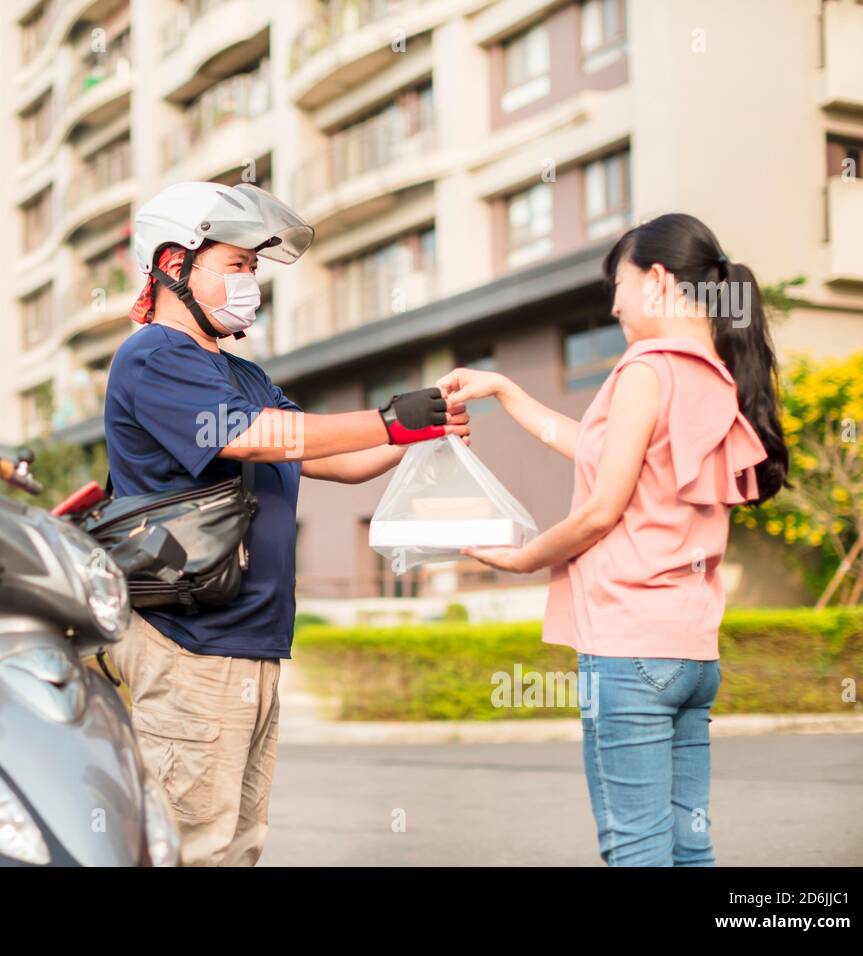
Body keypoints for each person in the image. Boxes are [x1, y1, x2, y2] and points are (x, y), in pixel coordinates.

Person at [103, 181, 470, 865]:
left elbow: (339, 460)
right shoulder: (153, 355)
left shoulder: (243, 375)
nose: (251, 283)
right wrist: (389, 418)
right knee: (193, 849)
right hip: (193, 646)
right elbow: (247, 436)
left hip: (250, 644)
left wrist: (419, 432)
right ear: (175, 265)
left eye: (254, 269)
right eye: (236, 265)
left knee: (238, 846)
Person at [438, 213, 787, 866]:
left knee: (636, 851)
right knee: (689, 847)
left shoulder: (645, 370)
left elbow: (601, 511)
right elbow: (601, 455)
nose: (615, 305)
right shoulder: (712, 376)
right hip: (691, 657)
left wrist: (522, 558)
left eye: (617, 286)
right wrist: (507, 391)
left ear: (655, 280)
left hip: (629, 656)